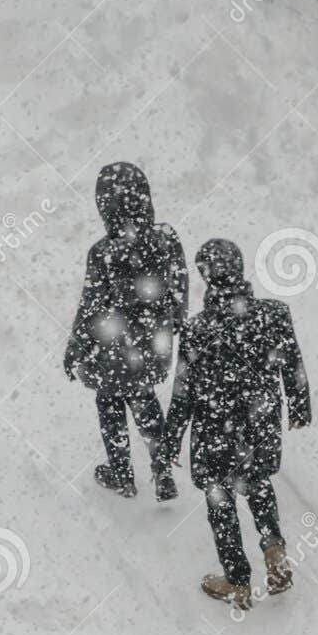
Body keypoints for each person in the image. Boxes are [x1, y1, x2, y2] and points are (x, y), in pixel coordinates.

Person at [163, 238, 312, 610]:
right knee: (258, 482)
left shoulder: (198, 329)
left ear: (206, 275)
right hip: (259, 421)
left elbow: (183, 391)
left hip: (215, 426)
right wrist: (298, 404)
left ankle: (238, 581)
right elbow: (292, 361)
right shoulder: (273, 313)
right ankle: (275, 551)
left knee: (220, 496)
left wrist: (171, 440)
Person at [63, 162, 188, 502]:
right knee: (143, 397)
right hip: (152, 342)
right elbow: (179, 283)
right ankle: (161, 470)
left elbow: (90, 306)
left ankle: (121, 472)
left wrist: (75, 348)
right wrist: (176, 317)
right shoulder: (166, 238)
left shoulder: (103, 252)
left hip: (112, 345)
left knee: (109, 402)